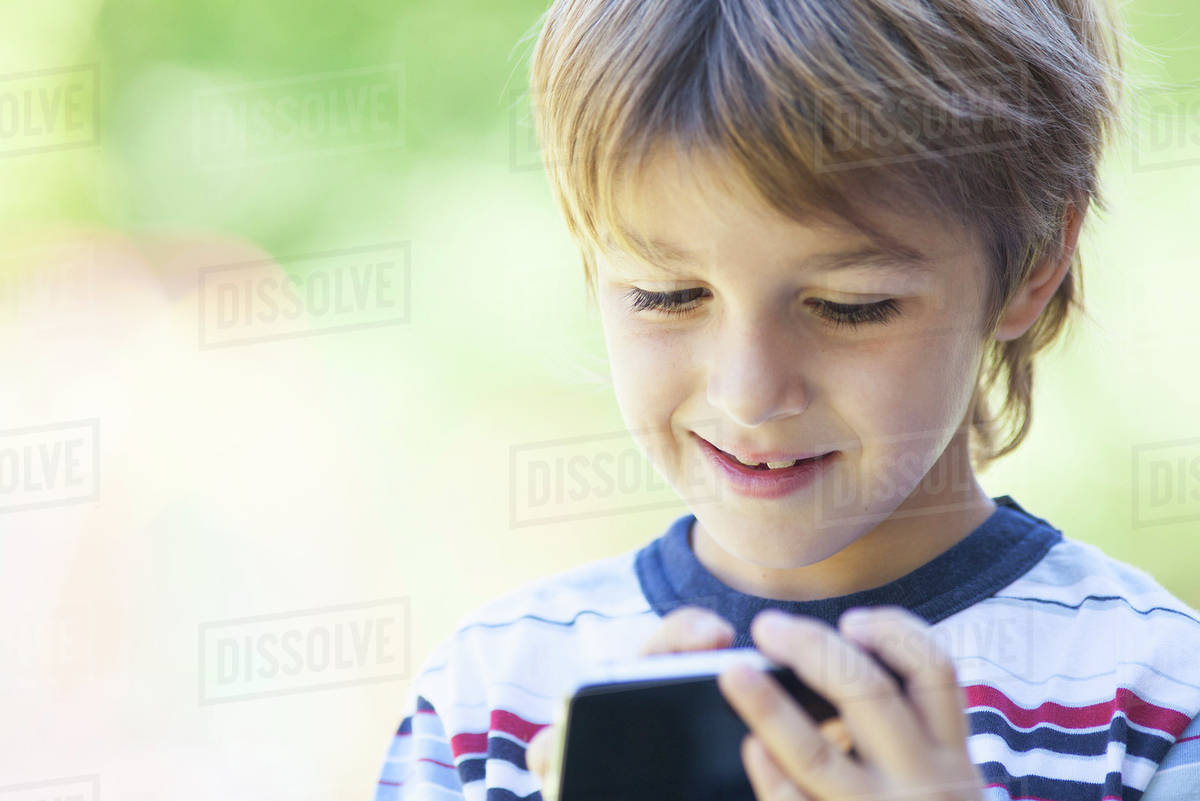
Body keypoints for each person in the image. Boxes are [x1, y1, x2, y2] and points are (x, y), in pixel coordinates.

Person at [374, 0, 1200, 799]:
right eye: (667, 294)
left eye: (850, 305)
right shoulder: (489, 704)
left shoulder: (1153, 698)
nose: (750, 394)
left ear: (1031, 266)